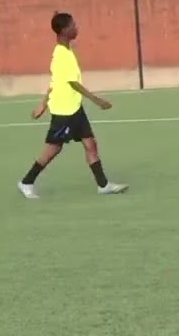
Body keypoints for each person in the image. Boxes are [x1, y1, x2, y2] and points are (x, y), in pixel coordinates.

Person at [17, 12, 128, 198]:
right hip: (64, 111)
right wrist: (97, 100)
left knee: (90, 144)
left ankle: (103, 185)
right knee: (53, 149)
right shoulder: (62, 55)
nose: (76, 28)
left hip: (74, 108)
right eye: (73, 25)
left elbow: (55, 81)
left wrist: (43, 103)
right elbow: (72, 83)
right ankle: (26, 182)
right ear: (63, 31)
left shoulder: (65, 52)